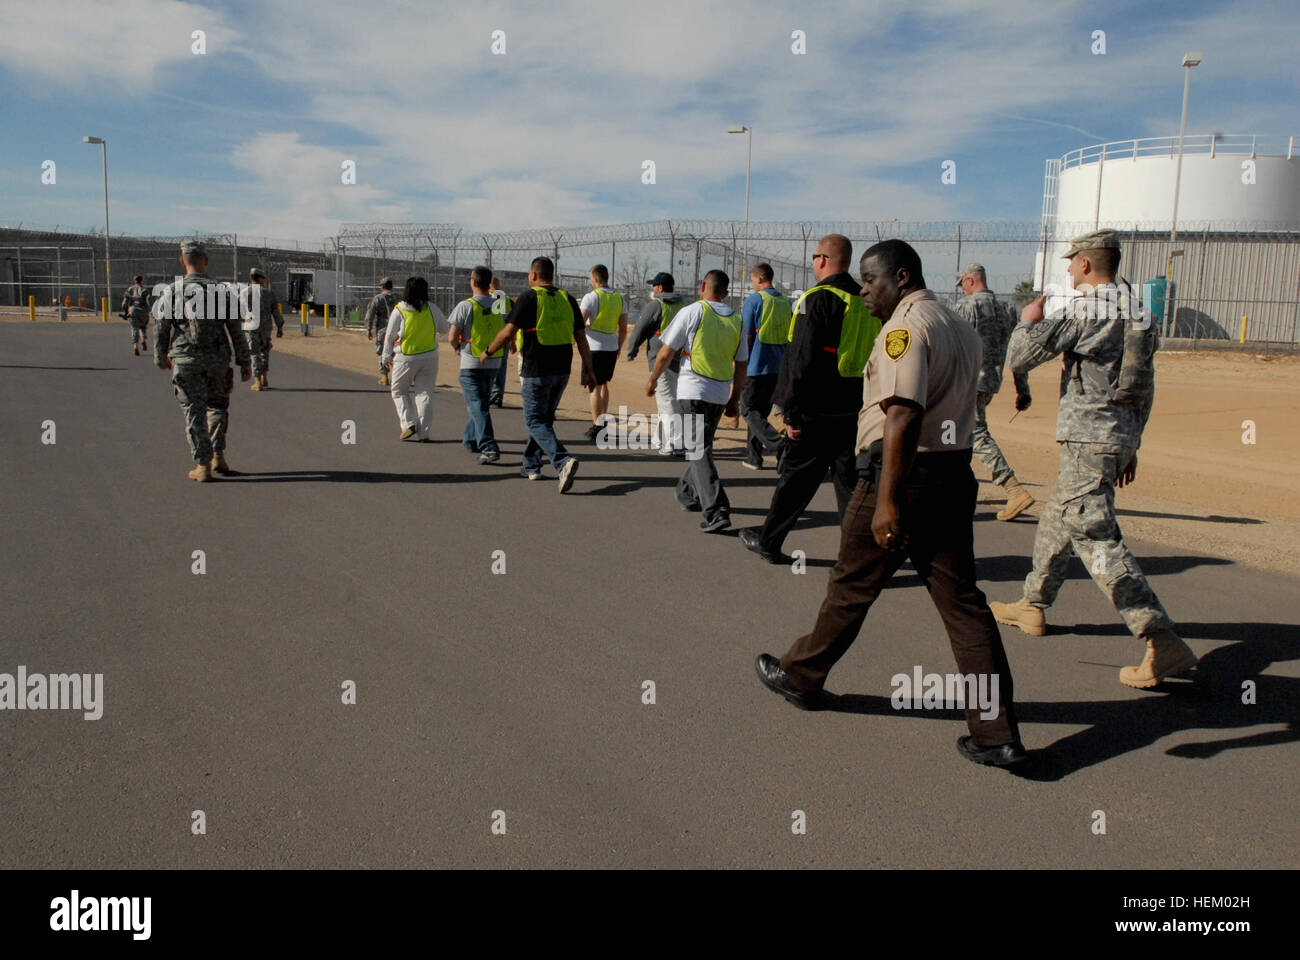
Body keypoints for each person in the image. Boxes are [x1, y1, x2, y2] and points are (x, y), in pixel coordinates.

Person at [754, 239, 1025, 767]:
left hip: (902, 474)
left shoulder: (905, 329)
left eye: (871, 280)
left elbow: (901, 415)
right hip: (951, 474)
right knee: (966, 606)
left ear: (901, 277)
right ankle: (998, 735)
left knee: (851, 588)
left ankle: (801, 675)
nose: (863, 291)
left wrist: (886, 502)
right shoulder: (959, 327)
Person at [988, 229, 1197, 689]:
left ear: (1085, 264)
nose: (1067, 269)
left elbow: (1021, 354)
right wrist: (1131, 442)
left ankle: (1159, 637)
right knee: (1059, 518)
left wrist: (1026, 320)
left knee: (1095, 537)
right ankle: (1033, 604)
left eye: (1071, 262)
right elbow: (1145, 383)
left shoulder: (1088, 309)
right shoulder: (1140, 310)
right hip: (1116, 437)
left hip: (1087, 438)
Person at [739, 234, 881, 564]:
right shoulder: (864, 302)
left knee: (796, 481)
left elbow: (801, 359)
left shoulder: (816, 299)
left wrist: (791, 412)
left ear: (823, 260)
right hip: (853, 410)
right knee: (850, 487)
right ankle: (858, 559)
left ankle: (769, 541)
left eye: (815, 256)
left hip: (816, 410)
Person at [482, 256, 595, 493]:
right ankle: (531, 465)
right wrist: (589, 369)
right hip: (562, 369)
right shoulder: (566, 298)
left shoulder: (528, 297)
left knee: (534, 420)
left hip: (536, 369)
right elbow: (581, 337)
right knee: (544, 419)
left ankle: (562, 461)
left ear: (533, 275)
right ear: (551, 275)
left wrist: (488, 351)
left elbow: (508, 331)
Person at [648, 270, 747, 532]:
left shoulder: (692, 312)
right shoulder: (737, 320)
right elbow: (741, 364)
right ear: (726, 293)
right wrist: (734, 398)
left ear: (704, 286)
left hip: (692, 390)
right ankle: (686, 492)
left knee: (697, 449)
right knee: (700, 447)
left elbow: (666, 351)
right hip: (718, 393)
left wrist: (652, 380)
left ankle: (717, 510)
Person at [154, 240, 252, 481]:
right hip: (218, 358)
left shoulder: (173, 291)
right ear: (205, 261)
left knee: (194, 411)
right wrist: (244, 361)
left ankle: (203, 465)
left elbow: (161, 328)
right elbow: (236, 330)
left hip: (186, 358)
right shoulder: (222, 291)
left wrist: (160, 356)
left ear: (182, 261)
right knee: (218, 406)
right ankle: (219, 456)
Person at [954, 264, 1033, 520]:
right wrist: (1022, 390)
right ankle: (955, 489)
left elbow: (950, 346)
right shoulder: (1008, 310)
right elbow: (1018, 354)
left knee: (973, 433)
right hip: (990, 383)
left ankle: (1013, 488)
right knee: (958, 435)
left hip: (965, 382)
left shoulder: (966, 308)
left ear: (969, 281)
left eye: (962, 285)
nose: (962, 290)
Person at [448, 265, 505, 464]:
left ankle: (489, 447)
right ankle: (470, 439)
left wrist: (457, 348)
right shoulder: (499, 304)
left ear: (472, 282)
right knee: (480, 403)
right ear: (489, 283)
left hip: (471, 362)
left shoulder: (466, 305)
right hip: (494, 361)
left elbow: (452, 335)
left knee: (477, 405)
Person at [627, 272, 688, 456]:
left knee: (668, 403)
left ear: (660, 288)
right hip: (682, 360)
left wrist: (632, 351)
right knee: (669, 400)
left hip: (661, 360)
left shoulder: (656, 305)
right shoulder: (684, 306)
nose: (652, 289)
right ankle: (659, 438)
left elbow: (639, 330)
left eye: (654, 286)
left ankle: (672, 445)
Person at [738, 263, 791, 469]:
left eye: (752, 280)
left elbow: (747, 334)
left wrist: (741, 360)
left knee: (748, 409)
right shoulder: (784, 301)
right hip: (777, 365)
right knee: (759, 412)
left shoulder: (755, 300)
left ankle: (780, 445)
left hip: (756, 364)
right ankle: (753, 457)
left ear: (759, 279)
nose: (752, 284)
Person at [381, 276, 445, 442]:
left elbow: (389, 336)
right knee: (425, 394)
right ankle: (424, 433)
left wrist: (386, 355)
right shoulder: (432, 308)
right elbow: (445, 327)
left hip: (406, 358)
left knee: (399, 391)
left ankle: (408, 423)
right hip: (430, 356)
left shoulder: (400, 310)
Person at [579, 264, 629, 441]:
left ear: (595, 278)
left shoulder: (591, 297)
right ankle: (603, 420)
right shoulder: (619, 298)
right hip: (611, 345)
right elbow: (623, 327)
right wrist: (619, 346)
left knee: (594, 387)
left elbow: (580, 322)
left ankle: (597, 425)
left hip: (593, 347)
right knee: (605, 384)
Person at [241, 266, 285, 391]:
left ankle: (257, 380)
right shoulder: (269, 293)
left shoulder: (244, 293)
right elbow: (276, 312)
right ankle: (264, 376)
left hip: (250, 325)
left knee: (254, 352)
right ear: (260, 279)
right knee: (265, 350)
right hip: (266, 326)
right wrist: (280, 327)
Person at [366, 278, 402, 386]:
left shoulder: (378, 298)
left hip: (383, 329)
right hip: (398, 329)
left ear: (382, 286)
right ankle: (398, 376)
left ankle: (385, 376)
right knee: (396, 352)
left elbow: (370, 315)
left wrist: (369, 329)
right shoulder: (399, 298)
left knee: (382, 352)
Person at [488, 276, 514, 407]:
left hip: (492, 338)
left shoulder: (487, 299)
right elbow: (513, 322)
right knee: (502, 367)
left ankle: (492, 391)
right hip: (505, 338)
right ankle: (499, 393)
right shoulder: (507, 299)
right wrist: (513, 341)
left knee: (489, 365)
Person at [121, 274, 152, 356]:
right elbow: (148, 301)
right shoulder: (144, 290)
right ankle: (143, 339)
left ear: (134, 281)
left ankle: (135, 345)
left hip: (133, 310)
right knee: (143, 326)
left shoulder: (130, 289)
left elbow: (124, 303)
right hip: (143, 311)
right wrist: (150, 309)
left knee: (134, 328)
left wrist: (125, 312)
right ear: (141, 281)